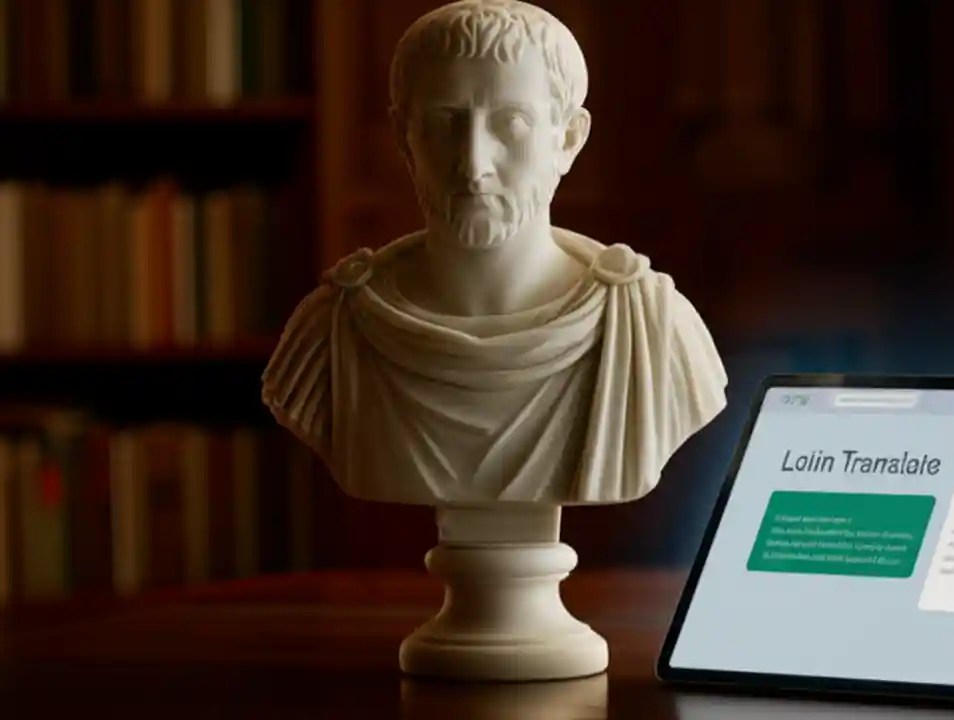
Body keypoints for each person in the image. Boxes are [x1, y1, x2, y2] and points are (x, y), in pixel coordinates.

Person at [261, 0, 726, 505]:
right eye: (445, 121)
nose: (474, 164)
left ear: (569, 139)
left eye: (512, 123)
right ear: (403, 136)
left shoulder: (651, 329)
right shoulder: (334, 330)